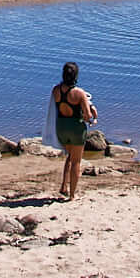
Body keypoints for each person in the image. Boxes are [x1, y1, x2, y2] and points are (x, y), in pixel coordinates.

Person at [50, 62, 98, 200]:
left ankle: (64, 186)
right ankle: (72, 195)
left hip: (61, 128)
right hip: (76, 129)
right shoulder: (79, 93)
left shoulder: (56, 90)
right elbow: (87, 115)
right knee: (76, 161)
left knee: (70, 157)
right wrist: (93, 119)